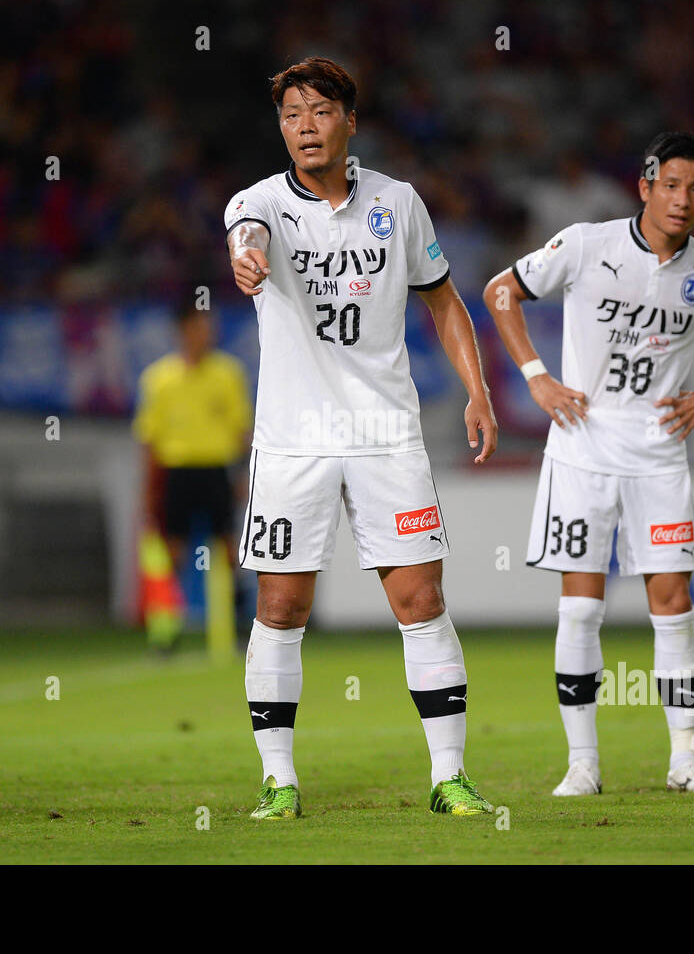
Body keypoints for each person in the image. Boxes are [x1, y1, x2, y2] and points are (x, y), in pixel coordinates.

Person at [225, 56, 499, 819]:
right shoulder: (258, 203)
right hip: (293, 440)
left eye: (319, 112)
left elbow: (444, 301)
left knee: (422, 598)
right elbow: (245, 234)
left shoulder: (398, 202)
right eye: (291, 115)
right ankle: (279, 781)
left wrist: (478, 389)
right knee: (281, 606)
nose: (305, 127)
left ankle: (450, 777)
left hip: (385, 435)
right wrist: (246, 257)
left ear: (349, 120)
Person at [483, 132, 694, 797]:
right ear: (645, 187)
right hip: (582, 447)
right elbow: (502, 292)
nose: (682, 199)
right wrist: (536, 377)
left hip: (658, 454)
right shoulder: (587, 244)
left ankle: (686, 759)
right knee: (581, 608)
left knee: (674, 605)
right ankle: (582, 764)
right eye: (671, 185)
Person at [134, 305, 251, 646]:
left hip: (216, 470)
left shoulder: (228, 373)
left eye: (209, 328)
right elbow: (149, 438)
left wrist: (242, 474)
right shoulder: (159, 378)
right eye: (199, 328)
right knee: (174, 551)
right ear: (183, 331)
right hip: (177, 472)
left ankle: (239, 625)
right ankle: (167, 630)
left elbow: (241, 430)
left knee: (228, 548)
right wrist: (150, 487)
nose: (207, 335)